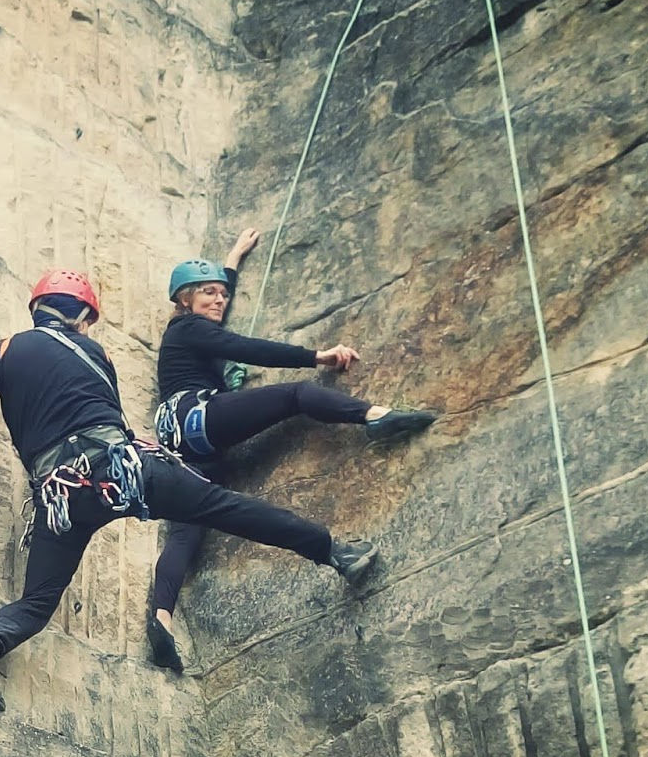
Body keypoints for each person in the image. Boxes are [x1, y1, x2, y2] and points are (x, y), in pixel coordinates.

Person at [0, 268, 379, 711]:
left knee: (38, 600)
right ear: (83, 316)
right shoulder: (98, 354)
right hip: (124, 469)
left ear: (40, 308)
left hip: (62, 495)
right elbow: (100, 413)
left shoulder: (3, 351)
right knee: (226, 508)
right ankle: (336, 552)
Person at [146, 228, 435, 672]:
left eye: (222, 294)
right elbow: (244, 347)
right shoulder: (188, 328)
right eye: (208, 294)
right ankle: (374, 416)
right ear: (183, 299)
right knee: (296, 395)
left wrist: (235, 258)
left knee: (187, 531)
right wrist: (317, 355)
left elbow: (220, 294)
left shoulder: (190, 325)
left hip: (182, 443)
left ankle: (161, 619)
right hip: (198, 416)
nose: (219, 300)